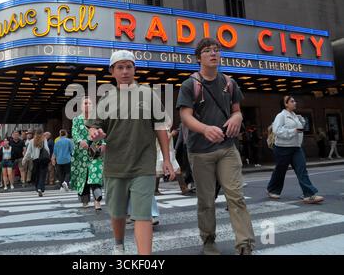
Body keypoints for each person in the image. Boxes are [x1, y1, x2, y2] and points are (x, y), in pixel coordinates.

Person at [87, 50, 175, 255]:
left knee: (143, 214)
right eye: (120, 67)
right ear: (112, 71)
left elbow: (160, 127)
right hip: (115, 164)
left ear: (135, 69)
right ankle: (119, 245)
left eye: (129, 67)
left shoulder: (147, 94)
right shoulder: (106, 99)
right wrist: (95, 133)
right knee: (117, 213)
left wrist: (167, 160)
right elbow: (93, 126)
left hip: (143, 164)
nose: (125, 71)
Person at [177, 38, 255, 255]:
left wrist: (237, 117)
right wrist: (204, 129)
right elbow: (185, 116)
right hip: (200, 152)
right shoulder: (190, 84)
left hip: (227, 149)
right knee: (206, 201)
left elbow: (237, 110)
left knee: (236, 196)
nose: (213, 53)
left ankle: (245, 243)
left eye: (217, 50)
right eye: (208, 50)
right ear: (199, 57)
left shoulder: (229, 83)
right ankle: (208, 241)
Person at [267, 95, 325, 204]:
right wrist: (294, 131)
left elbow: (300, 129)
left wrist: (301, 122)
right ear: (286, 104)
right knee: (280, 170)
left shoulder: (295, 116)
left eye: (295, 101)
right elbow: (277, 131)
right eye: (292, 101)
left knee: (302, 170)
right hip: (282, 148)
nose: (295, 103)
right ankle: (272, 189)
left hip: (296, 147)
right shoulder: (281, 116)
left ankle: (309, 195)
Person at [71, 97, 105, 210]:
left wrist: (103, 144)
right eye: (85, 103)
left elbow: (103, 132)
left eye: (89, 103)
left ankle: (97, 201)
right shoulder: (76, 119)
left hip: (95, 152)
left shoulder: (97, 120)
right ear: (81, 106)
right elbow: (74, 132)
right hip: (81, 154)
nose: (87, 105)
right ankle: (85, 201)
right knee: (84, 177)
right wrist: (80, 141)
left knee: (95, 174)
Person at [22, 128, 50, 196]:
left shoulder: (31, 141)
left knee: (37, 174)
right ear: (42, 133)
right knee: (42, 174)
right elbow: (46, 148)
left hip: (35, 160)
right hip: (43, 159)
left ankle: (37, 188)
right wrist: (48, 155)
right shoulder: (44, 140)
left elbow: (28, 152)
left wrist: (24, 159)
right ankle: (40, 187)